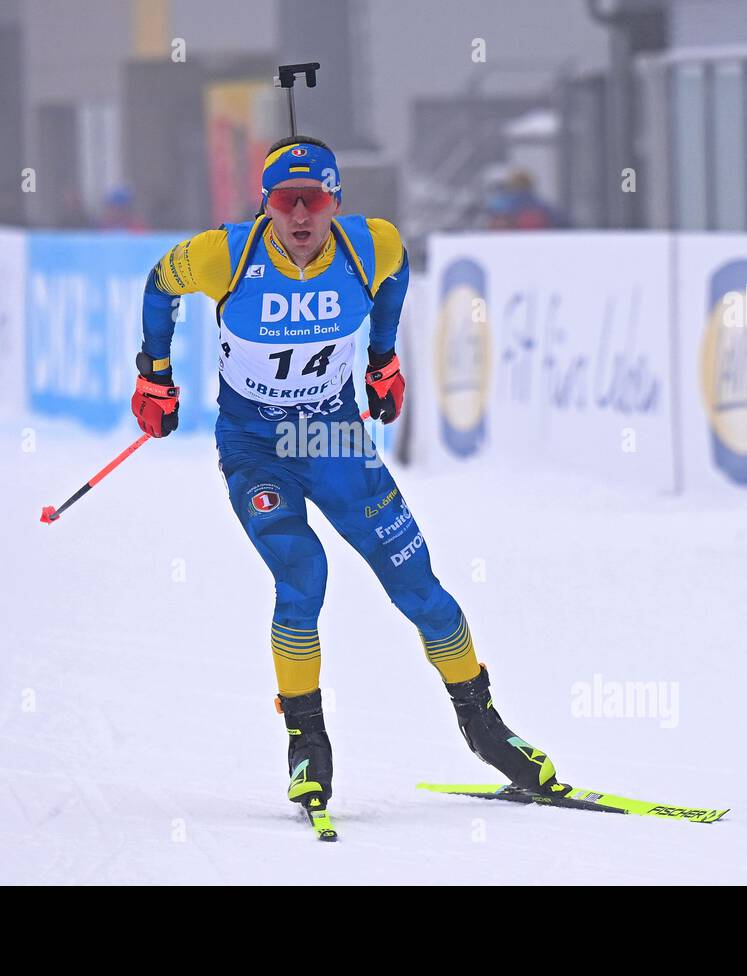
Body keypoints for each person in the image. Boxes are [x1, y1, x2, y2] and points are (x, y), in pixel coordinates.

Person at [131, 135, 567, 836]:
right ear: (266, 205)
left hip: (333, 440)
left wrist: (382, 358)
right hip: (257, 448)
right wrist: (154, 374)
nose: (301, 216)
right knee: (302, 574)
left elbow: (396, 275)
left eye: (315, 200)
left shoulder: (372, 246)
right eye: (286, 201)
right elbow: (160, 283)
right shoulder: (225, 254)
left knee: (416, 583)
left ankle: (484, 725)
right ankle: (307, 741)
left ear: (336, 201)